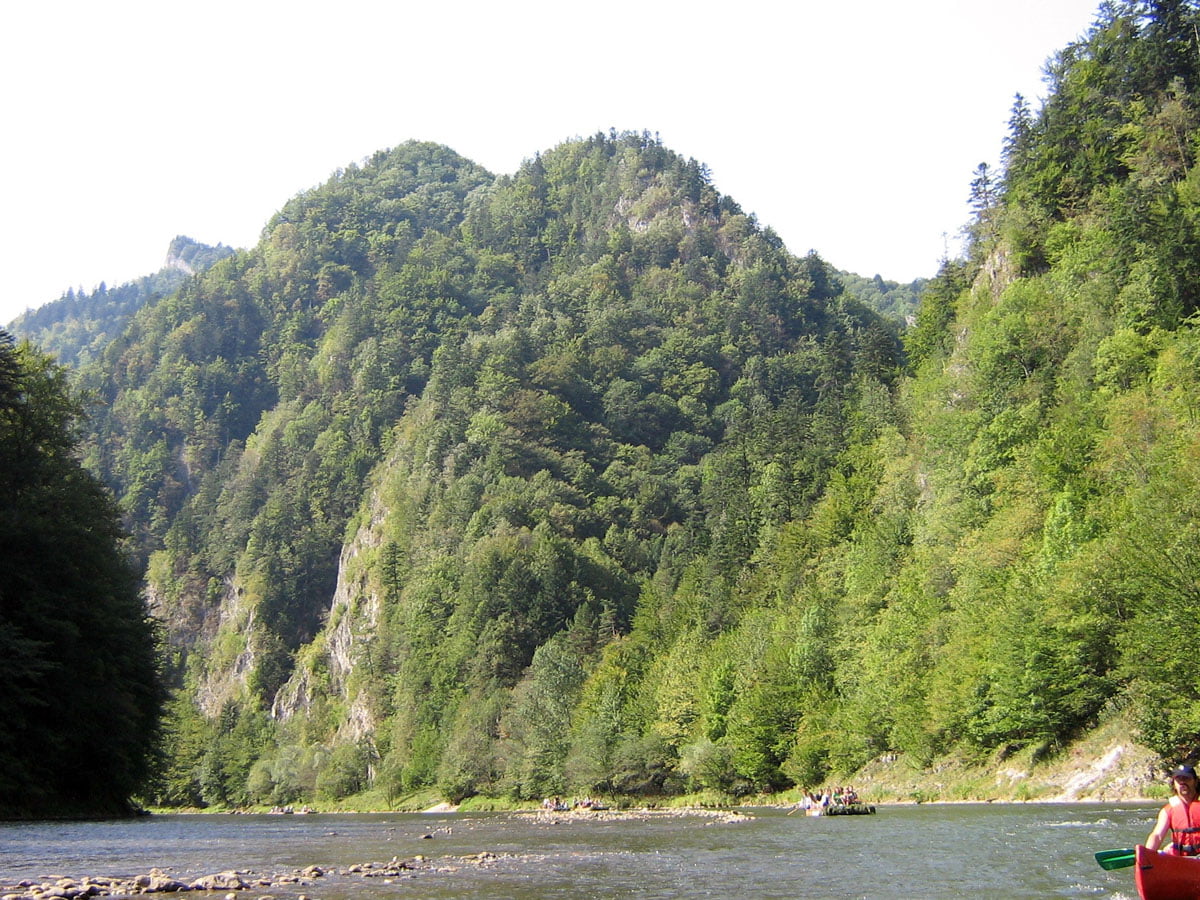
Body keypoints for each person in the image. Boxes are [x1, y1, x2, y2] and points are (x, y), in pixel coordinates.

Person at [1145, 764, 1200, 856]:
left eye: (1186, 779)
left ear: (1195, 781)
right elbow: (1157, 836)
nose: (1182, 782)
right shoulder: (1168, 811)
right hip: (1180, 859)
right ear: (1174, 783)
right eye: (1179, 780)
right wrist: (1146, 854)